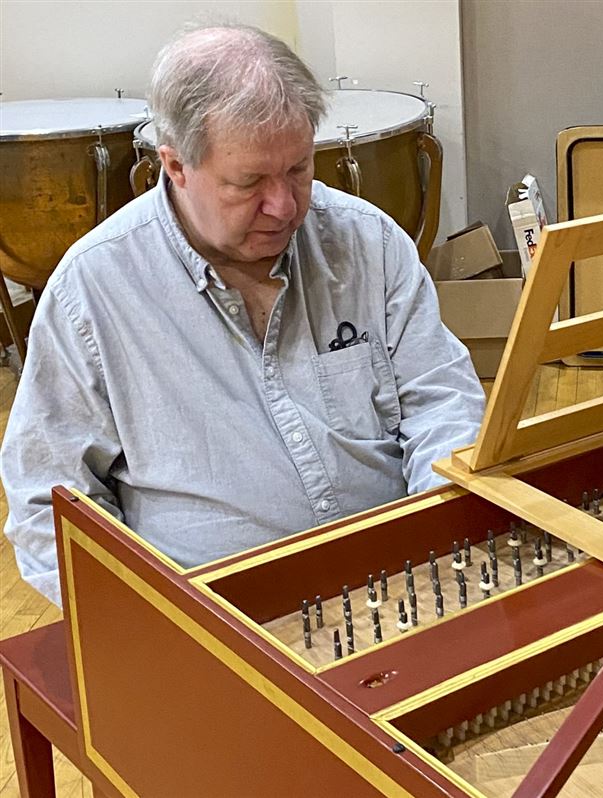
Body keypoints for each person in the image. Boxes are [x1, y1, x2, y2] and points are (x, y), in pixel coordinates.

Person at [0, 24, 485, 605]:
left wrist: (440, 537)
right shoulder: (92, 289)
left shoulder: (367, 242)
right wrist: (148, 625)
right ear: (175, 166)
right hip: (209, 619)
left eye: (299, 169)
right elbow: (48, 505)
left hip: (400, 581)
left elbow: (442, 402)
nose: (283, 206)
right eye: (249, 182)